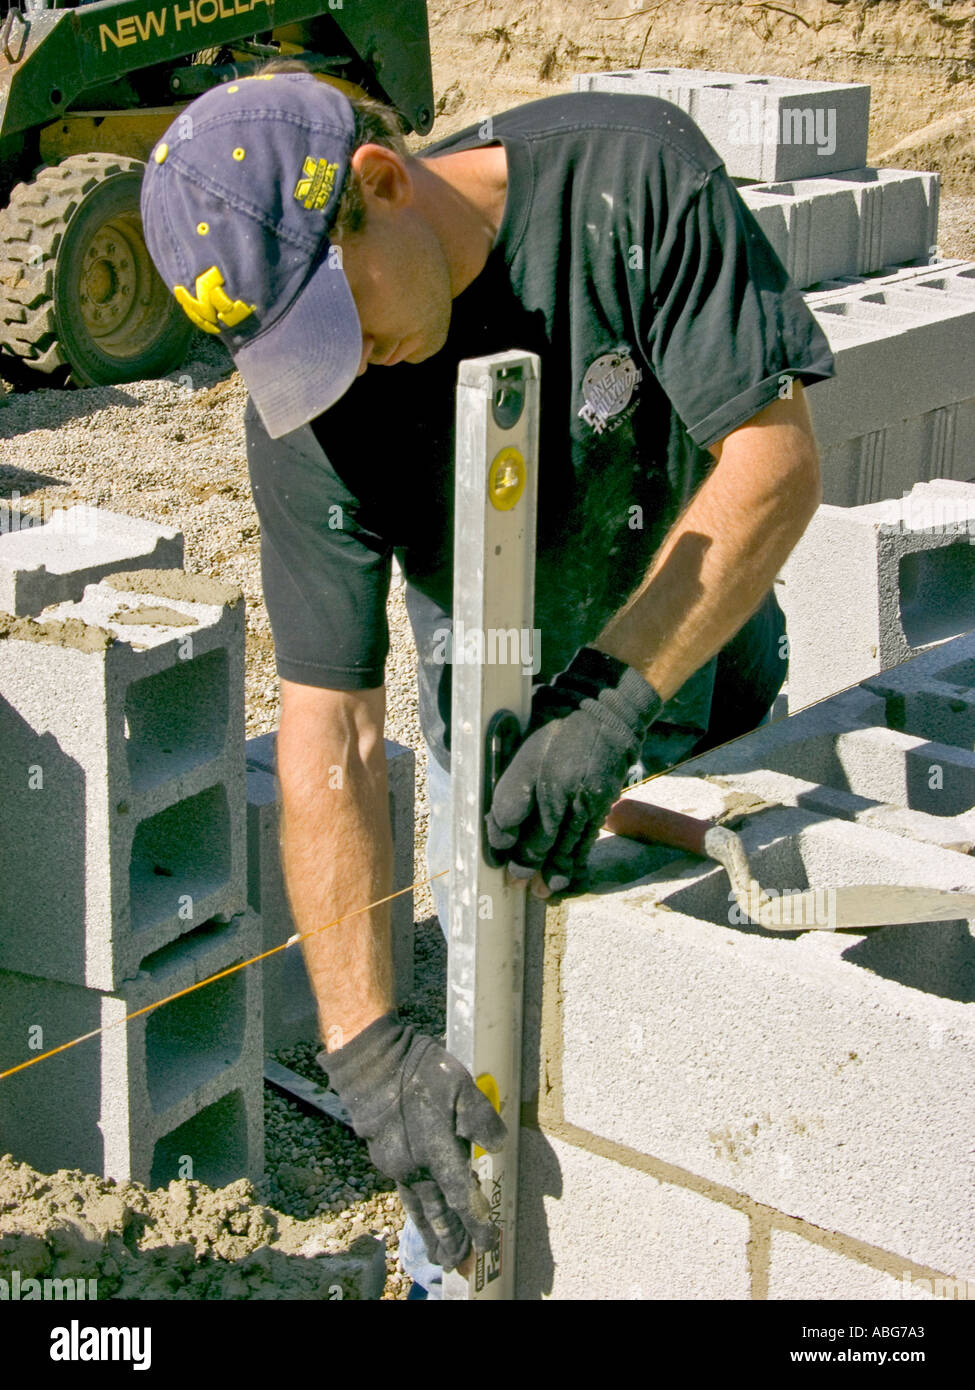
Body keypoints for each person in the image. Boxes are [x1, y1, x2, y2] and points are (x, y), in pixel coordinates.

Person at [140, 66, 834, 1298]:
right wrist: (361, 1048)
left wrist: (617, 702)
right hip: (496, 715)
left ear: (381, 183)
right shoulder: (308, 418)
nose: (335, 375)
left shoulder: (631, 182)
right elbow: (333, 736)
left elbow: (773, 462)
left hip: (692, 654)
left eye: (334, 322)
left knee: (713, 1034)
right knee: (512, 1036)